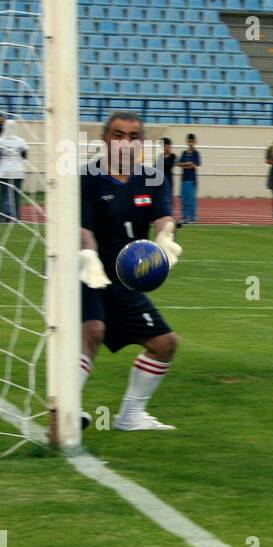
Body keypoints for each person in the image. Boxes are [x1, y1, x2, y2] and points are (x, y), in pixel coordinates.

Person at [78, 111, 184, 432]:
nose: (125, 142)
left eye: (133, 136)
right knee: (92, 331)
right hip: (87, 271)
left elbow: (163, 217)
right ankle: (67, 407)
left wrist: (166, 236)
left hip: (126, 278)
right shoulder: (87, 178)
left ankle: (131, 415)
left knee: (165, 344)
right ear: (104, 140)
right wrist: (89, 256)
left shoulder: (153, 177)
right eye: (118, 135)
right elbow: (83, 228)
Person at [0, 120, 28, 222]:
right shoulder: (21, 141)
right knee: (16, 197)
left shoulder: (0, 141)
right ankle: (16, 218)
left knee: (3, 195)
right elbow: (24, 156)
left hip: (3, 170)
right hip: (18, 171)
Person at [178, 134, 200, 224]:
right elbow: (179, 164)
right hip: (183, 179)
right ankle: (184, 217)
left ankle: (192, 218)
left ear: (194, 142)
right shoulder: (183, 153)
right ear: (187, 142)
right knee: (183, 199)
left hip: (191, 180)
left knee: (191, 199)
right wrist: (187, 164)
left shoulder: (196, 153)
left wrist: (186, 164)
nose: (190, 143)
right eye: (189, 141)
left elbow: (195, 164)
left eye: (192, 141)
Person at [161, 137, 177, 217]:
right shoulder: (160, 156)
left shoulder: (173, 156)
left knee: (169, 198)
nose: (163, 148)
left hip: (168, 180)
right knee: (160, 198)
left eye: (164, 146)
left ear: (168, 146)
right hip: (160, 180)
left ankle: (169, 215)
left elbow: (169, 165)